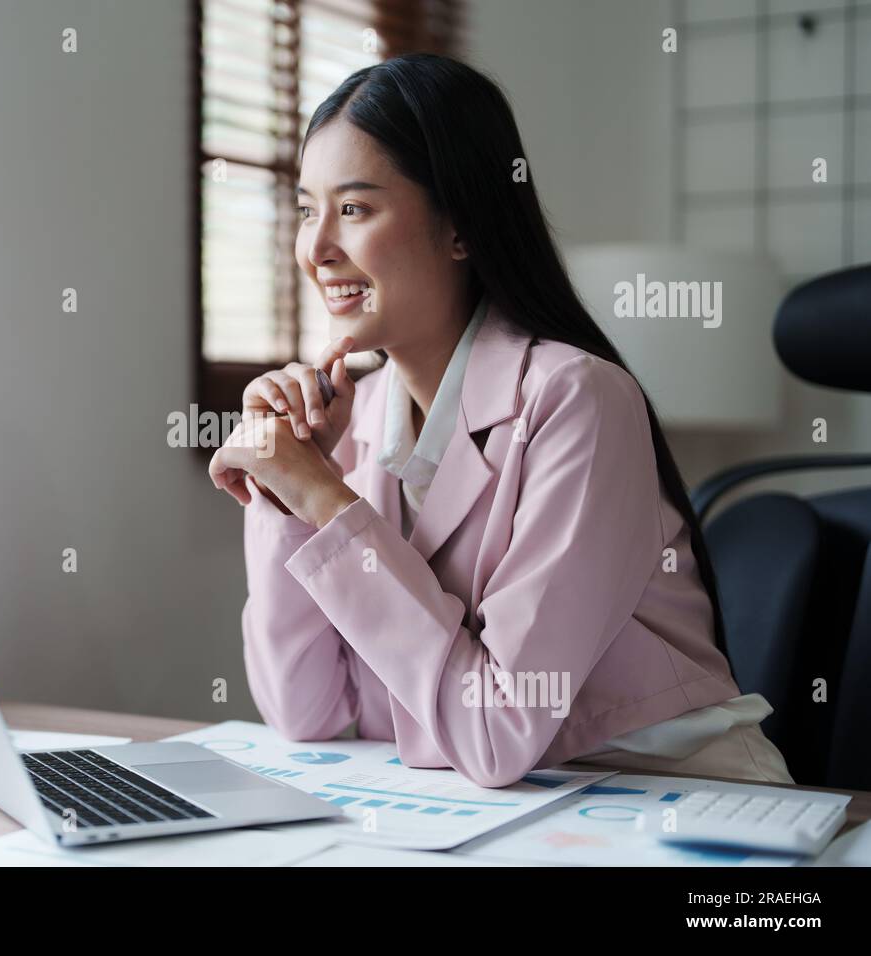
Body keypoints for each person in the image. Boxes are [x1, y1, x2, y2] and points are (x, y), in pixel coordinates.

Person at [207, 54, 792, 788]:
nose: (316, 248)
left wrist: (326, 502)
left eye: (353, 209)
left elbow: (496, 728)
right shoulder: (355, 417)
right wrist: (289, 490)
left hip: (675, 799)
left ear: (461, 228)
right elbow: (305, 710)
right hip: (496, 810)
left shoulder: (579, 399)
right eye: (305, 209)